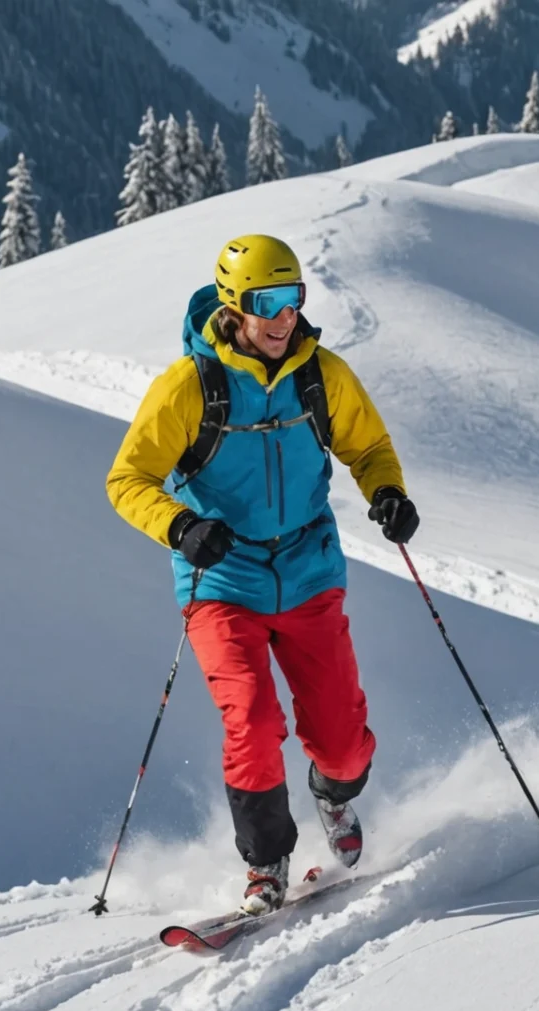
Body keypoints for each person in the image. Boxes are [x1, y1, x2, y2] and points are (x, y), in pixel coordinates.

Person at [107, 235, 419, 915]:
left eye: (293, 298)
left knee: (340, 742)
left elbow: (367, 446)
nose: (283, 317)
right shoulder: (191, 386)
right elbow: (127, 480)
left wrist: (387, 492)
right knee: (250, 717)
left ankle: (332, 795)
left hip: (307, 569)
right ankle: (267, 861)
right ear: (232, 307)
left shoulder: (321, 375)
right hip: (222, 579)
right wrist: (182, 527)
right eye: (266, 302)